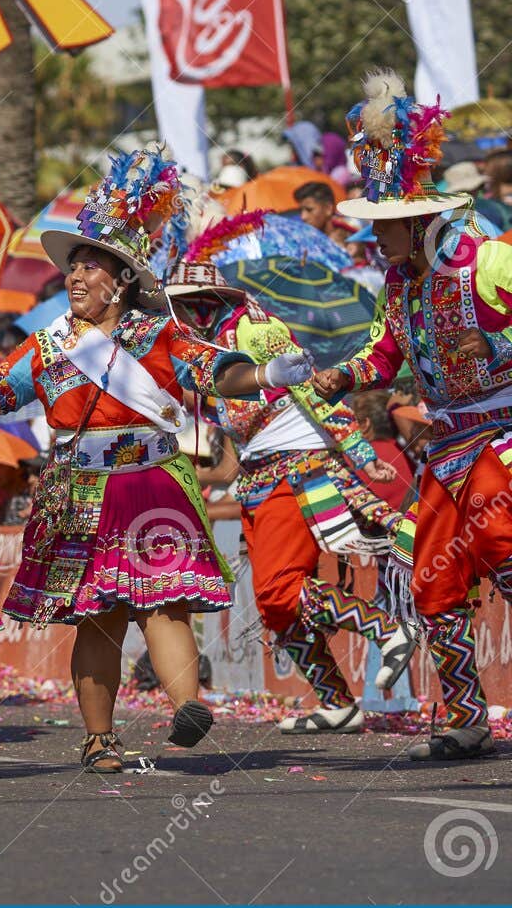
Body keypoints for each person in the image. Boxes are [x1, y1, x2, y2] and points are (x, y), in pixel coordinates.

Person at [0, 145, 314, 772]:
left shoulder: (160, 335)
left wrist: (269, 371)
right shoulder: (51, 344)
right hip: (81, 490)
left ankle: (188, 706)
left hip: (152, 481)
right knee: (99, 616)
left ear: (123, 281)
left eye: (89, 268)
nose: (74, 278)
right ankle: (99, 739)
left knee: (164, 600)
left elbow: (219, 372)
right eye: (72, 269)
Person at [309, 69, 502, 761]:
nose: (377, 239)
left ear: (421, 220)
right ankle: (467, 716)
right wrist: (340, 373)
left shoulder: (488, 261)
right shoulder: (398, 281)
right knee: (435, 584)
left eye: (387, 227)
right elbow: (383, 352)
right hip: (445, 452)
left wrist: (499, 338)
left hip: (499, 443)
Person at [165, 260, 418, 734]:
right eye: (178, 304)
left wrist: (362, 456)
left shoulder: (256, 330)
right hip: (258, 471)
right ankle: (337, 702)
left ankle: (386, 628)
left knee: (280, 588)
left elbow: (314, 388)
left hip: (297, 463)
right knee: (273, 606)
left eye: (191, 303)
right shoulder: (204, 346)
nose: (184, 314)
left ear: (216, 303)